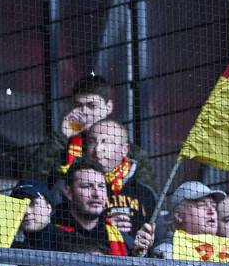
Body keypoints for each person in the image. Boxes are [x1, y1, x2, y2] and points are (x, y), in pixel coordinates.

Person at [27, 73, 155, 189]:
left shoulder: (133, 155)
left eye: (91, 106)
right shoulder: (62, 146)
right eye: (78, 106)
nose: (84, 112)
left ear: (108, 107)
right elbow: (32, 178)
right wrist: (63, 135)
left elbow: (150, 198)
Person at [42, 160, 153, 256]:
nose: (96, 194)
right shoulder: (48, 234)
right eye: (87, 186)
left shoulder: (121, 238)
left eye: (101, 186)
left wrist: (137, 254)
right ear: (69, 192)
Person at [81, 119, 157, 232]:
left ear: (124, 150)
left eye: (106, 142)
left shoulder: (145, 192)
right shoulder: (70, 186)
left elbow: (160, 237)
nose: (98, 149)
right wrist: (105, 228)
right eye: (92, 142)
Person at [152, 181, 226, 258]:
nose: (211, 211)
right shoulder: (167, 252)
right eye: (202, 205)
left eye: (214, 206)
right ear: (179, 215)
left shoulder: (225, 249)